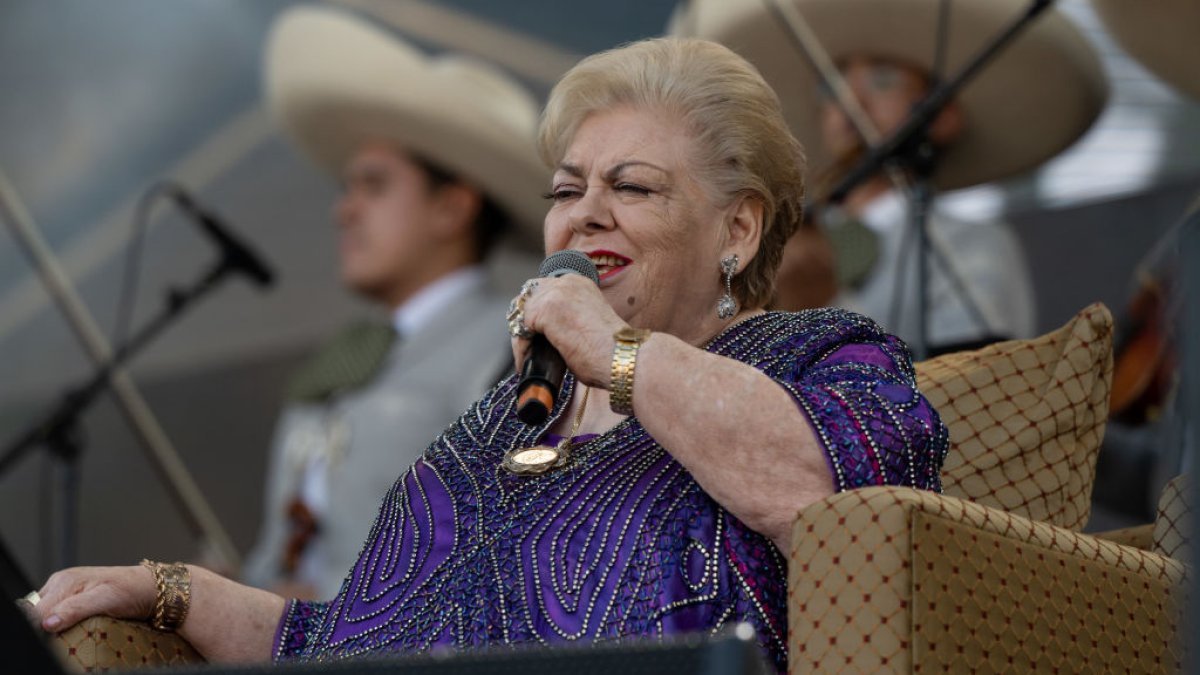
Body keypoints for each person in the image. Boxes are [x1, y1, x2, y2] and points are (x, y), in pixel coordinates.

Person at [26, 37, 948, 673]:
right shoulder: (495, 424)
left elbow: (829, 500)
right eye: (566, 190)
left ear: (737, 229)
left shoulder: (818, 358)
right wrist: (176, 591)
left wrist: (614, 351)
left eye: (631, 186)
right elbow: (343, 646)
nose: (585, 214)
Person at [241, 7, 545, 599]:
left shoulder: (515, 344)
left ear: (452, 208)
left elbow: (495, 556)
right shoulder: (339, 358)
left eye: (374, 185)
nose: (344, 210)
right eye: (348, 188)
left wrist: (319, 609)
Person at [672, 0, 1108, 354]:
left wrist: (825, 306)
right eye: (831, 88)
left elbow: (968, 393)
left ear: (942, 116)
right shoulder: (783, 244)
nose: (850, 99)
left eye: (882, 80)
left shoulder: (971, 246)